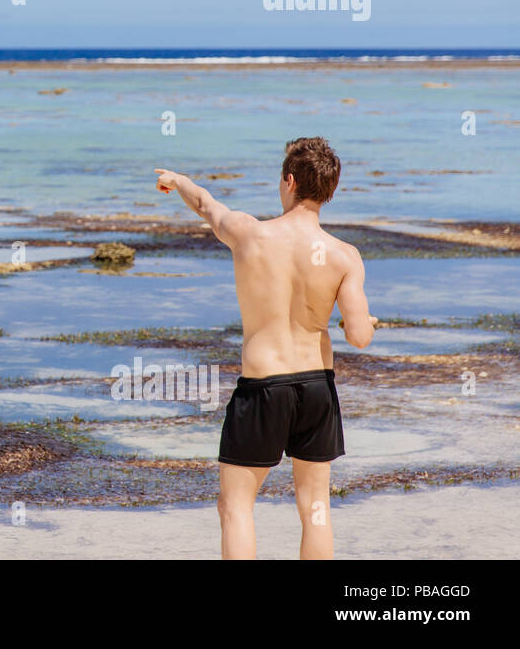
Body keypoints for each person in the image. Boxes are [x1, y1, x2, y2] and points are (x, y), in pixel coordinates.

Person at [154, 136, 376, 559]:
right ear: (330, 190)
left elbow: (205, 204)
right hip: (316, 387)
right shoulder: (345, 256)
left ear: (289, 181)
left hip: (263, 387)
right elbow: (360, 336)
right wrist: (353, 319)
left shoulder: (249, 234)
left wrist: (176, 180)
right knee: (315, 508)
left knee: (236, 507)